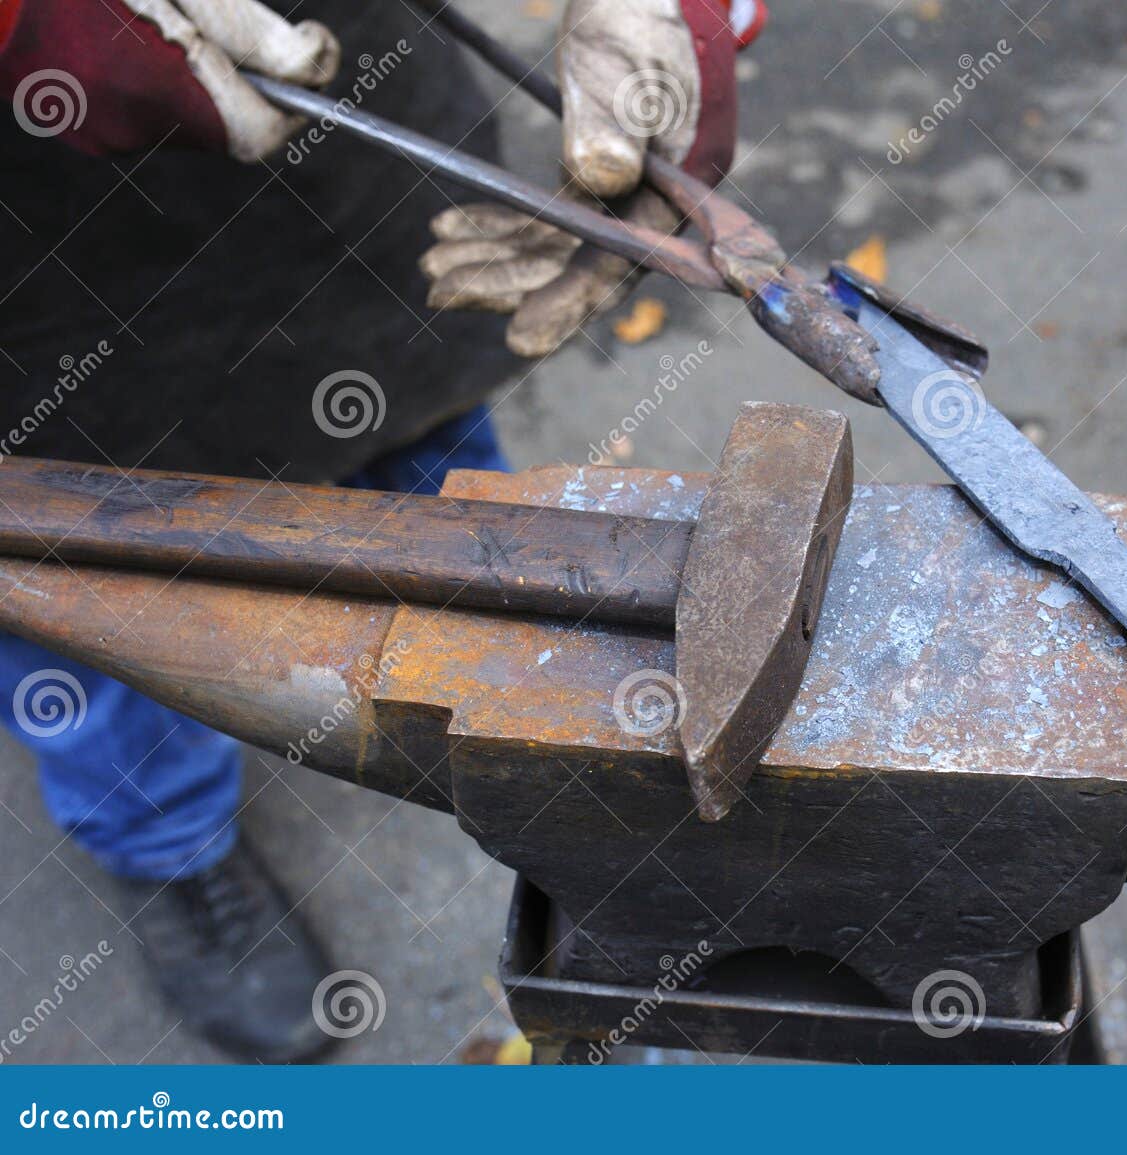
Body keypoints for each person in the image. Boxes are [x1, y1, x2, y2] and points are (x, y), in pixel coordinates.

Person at [0, 0, 760, 1061]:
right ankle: (168, 843)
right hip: (36, 232)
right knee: (79, 570)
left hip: (344, 95)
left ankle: (535, 770)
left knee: (432, 470)